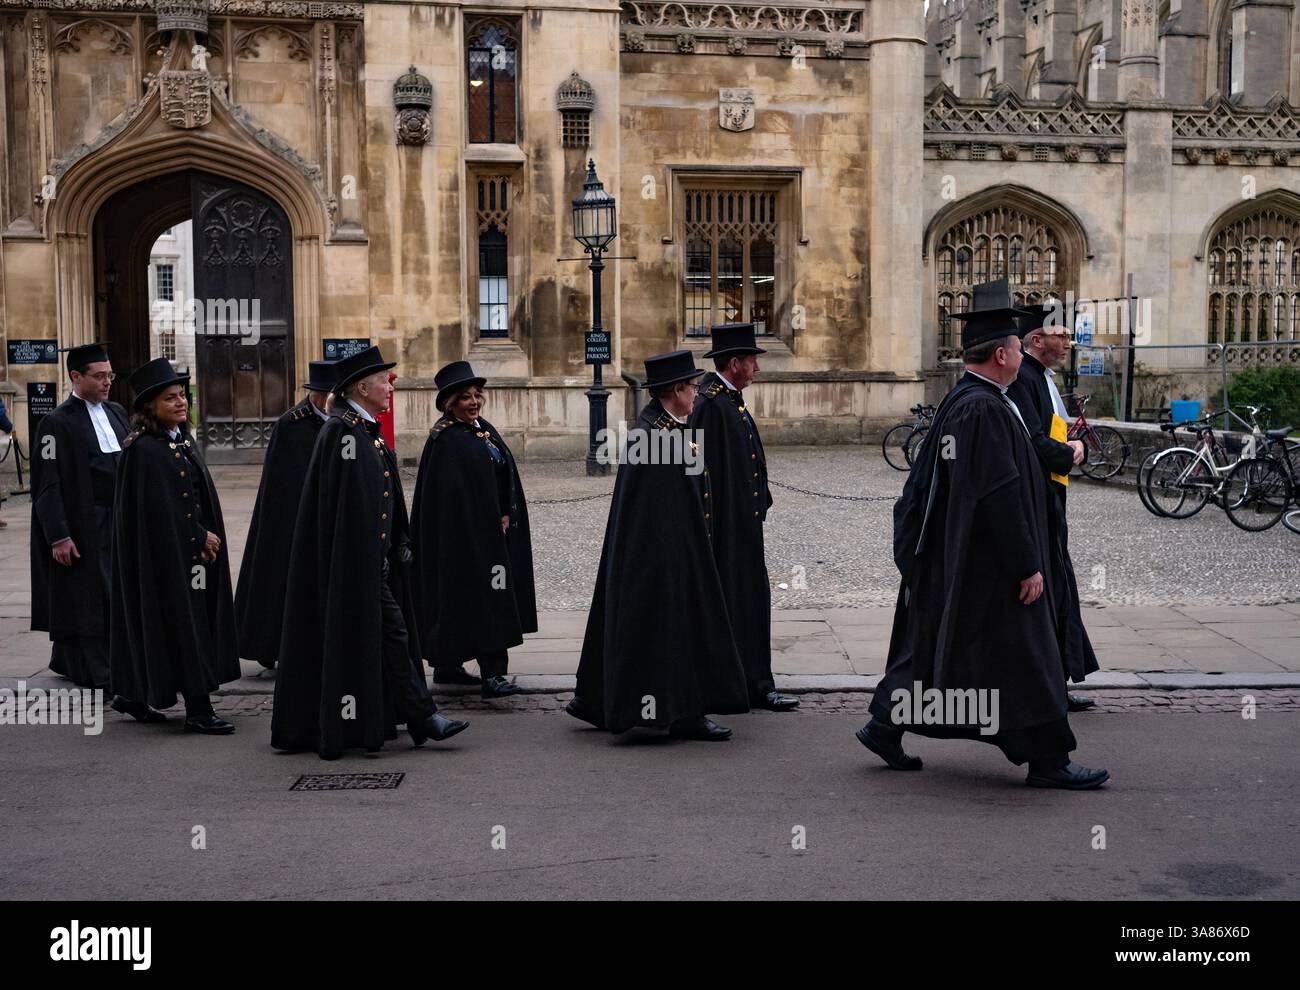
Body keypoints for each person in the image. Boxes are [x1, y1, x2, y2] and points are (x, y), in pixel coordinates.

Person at [856, 279, 1109, 790]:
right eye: (1018, 346)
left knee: (942, 649)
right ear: (1001, 354)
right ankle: (1048, 761)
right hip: (990, 564)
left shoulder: (974, 400)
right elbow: (998, 494)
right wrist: (1027, 565)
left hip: (968, 559)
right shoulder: (983, 408)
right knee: (1027, 656)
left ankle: (885, 724)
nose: (1023, 353)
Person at [271, 346, 468, 759]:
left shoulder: (364, 430)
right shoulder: (341, 433)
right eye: (384, 380)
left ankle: (405, 717)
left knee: (389, 639)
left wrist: (397, 544)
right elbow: (339, 508)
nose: (390, 386)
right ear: (362, 387)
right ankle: (420, 718)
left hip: (374, 565)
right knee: (392, 635)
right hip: (354, 567)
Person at [568, 351, 749, 740]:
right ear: (676, 390)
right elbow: (651, 514)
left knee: (676, 631)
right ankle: (681, 713)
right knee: (669, 632)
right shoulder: (652, 437)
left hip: (682, 553)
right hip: (664, 558)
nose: (698, 394)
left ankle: (649, 705)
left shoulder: (670, 428)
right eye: (693, 387)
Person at [109, 358, 240, 733]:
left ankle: (132, 694)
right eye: (171, 398)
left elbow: (193, 496)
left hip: (193, 556)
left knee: (185, 623)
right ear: (151, 406)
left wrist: (205, 537)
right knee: (182, 624)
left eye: (183, 395)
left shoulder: (180, 440)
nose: (181, 403)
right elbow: (155, 512)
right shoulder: (144, 451)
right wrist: (197, 538)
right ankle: (199, 710)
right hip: (165, 561)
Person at [411, 361, 537, 699]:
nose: (474, 401)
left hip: (489, 535)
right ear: (451, 402)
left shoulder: (480, 429)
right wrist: (486, 520)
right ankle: (492, 674)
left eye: (476, 395)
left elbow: (497, 474)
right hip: (466, 540)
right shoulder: (448, 439)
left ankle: (449, 666)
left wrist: (504, 513)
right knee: (482, 599)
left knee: (473, 599)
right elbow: (451, 498)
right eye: (465, 397)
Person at [689, 323, 798, 712]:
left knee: (751, 601)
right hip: (726, 531)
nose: (757, 368)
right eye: (752, 360)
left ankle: (754, 681)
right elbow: (696, 472)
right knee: (737, 603)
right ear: (734, 363)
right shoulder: (710, 402)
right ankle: (743, 683)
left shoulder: (728, 398)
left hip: (744, 525)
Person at [1007, 304, 1100, 710]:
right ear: (1035, 340)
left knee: (1059, 584)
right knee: (1046, 585)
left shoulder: (1040, 377)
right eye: (1061, 335)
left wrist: (1070, 447)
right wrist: (1070, 453)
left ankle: (1056, 682)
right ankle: (1047, 688)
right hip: (1038, 495)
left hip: (1052, 495)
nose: (1068, 343)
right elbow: (1033, 439)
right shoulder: (1024, 379)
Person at [29, 342, 128, 689]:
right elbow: (47, 484)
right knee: (91, 597)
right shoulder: (55, 423)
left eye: (109, 375)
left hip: (117, 521)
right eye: (99, 376)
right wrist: (58, 535)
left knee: (116, 593)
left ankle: (111, 661)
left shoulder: (116, 412)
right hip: (85, 524)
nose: (107, 382)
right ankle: (100, 671)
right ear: (76, 376)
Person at [235, 360, 338, 670]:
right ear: (321, 396)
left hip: (327, 516)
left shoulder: (341, 422)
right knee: (281, 584)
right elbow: (283, 482)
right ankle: (271, 645)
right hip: (290, 519)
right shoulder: (292, 424)